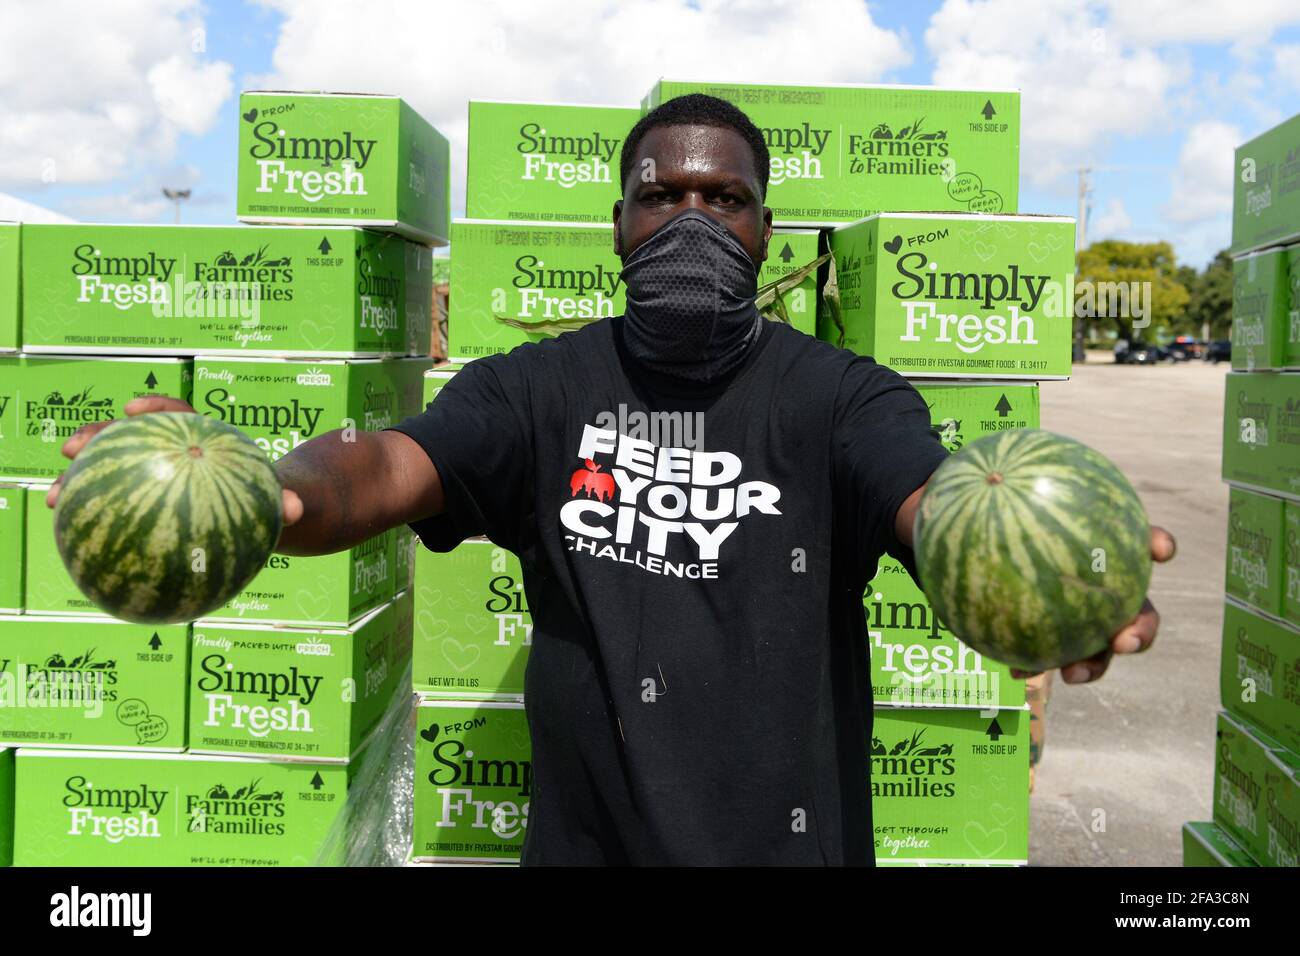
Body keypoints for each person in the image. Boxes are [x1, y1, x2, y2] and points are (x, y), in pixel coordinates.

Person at [50, 93, 1175, 866]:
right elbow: (387, 463)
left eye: (723, 200)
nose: (692, 220)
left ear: (765, 226)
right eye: (662, 197)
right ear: (620, 227)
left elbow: (929, 499)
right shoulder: (535, 390)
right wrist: (271, 495)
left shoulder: (842, 396)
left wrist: (1036, 566)